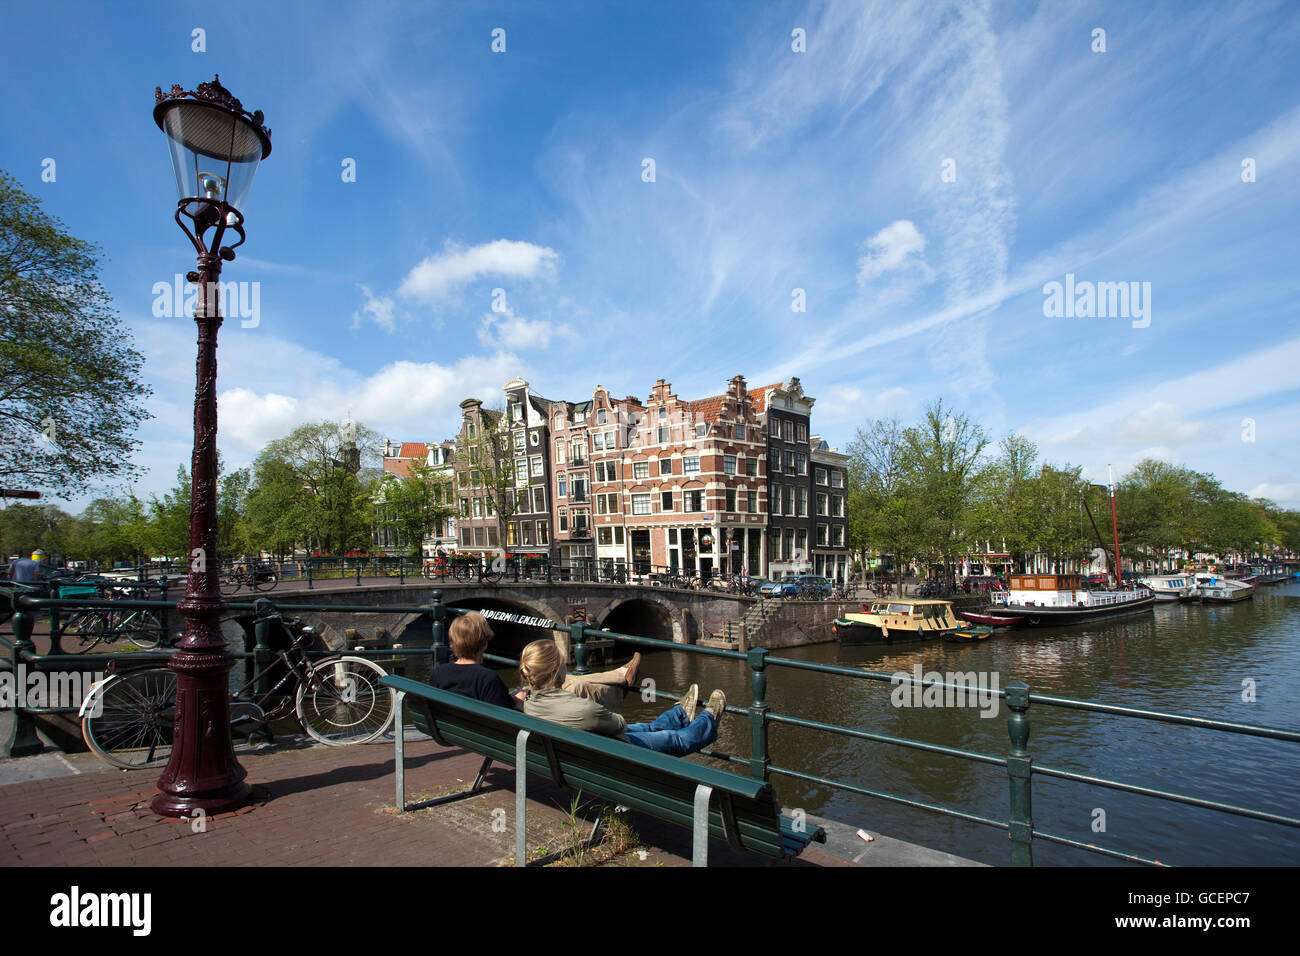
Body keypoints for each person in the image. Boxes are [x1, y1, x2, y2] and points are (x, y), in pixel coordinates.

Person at [518, 638, 725, 757]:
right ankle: (708, 721)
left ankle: (678, 715)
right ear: (557, 670)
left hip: (590, 755)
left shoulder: (528, 703)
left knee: (646, 727)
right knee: (672, 739)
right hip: (619, 757)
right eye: (563, 663)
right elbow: (620, 725)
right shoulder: (584, 710)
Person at [432, 612, 641, 711]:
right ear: (485, 643)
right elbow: (510, 712)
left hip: (477, 732)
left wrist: (515, 694)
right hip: (523, 726)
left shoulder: (439, 673)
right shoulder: (486, 678)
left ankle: (619, 675)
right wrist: (520, 697)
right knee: (575, 687)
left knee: (565, 678)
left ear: (452, 642)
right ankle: (619, 686)